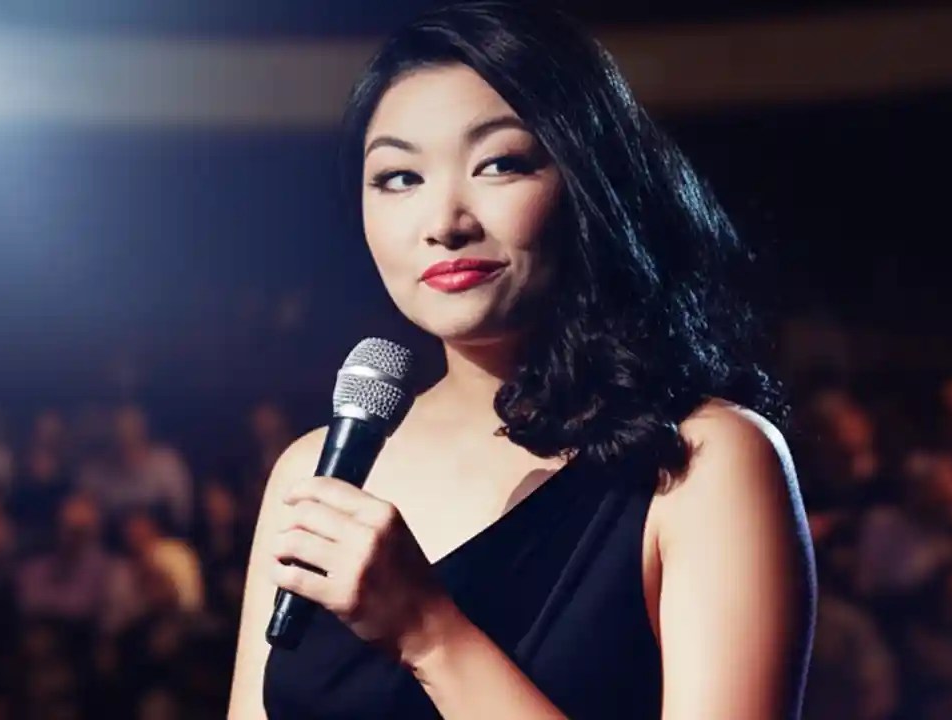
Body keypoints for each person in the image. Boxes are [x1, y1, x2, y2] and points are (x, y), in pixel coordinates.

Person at [228, 2, 816, 718]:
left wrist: (431, 636)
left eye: (499, 164)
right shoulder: (312, 472)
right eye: (398, 178)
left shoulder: (707, 462)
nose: (445, 223)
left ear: (588, 184)